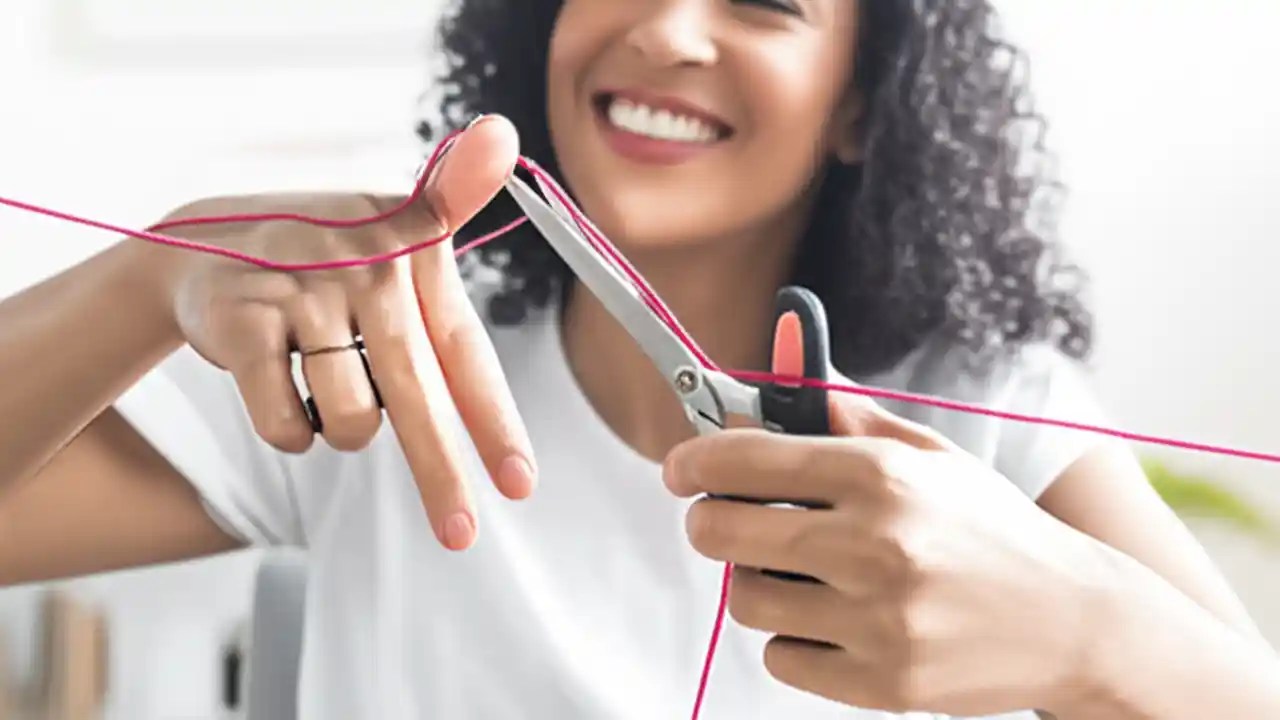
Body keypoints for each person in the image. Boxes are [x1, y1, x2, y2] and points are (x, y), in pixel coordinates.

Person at [2, 0, 1278, 718]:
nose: (667, 30)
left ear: (859, 102)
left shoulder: (988, 409)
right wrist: (145, 276)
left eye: (762, 1)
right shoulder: (380, 366)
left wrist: (1086, 635)